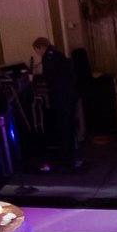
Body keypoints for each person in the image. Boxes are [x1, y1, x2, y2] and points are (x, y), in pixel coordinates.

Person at [32, 34, 81, 171]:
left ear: (40, 47)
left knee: (64, 126)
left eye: (37, 50)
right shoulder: (57, 55)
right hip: (70, 95)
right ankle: (70, 153)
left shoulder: (48, 58)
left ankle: (65, 157)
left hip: (61, 97)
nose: (37, 54)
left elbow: (51, 79)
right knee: (70, 125)